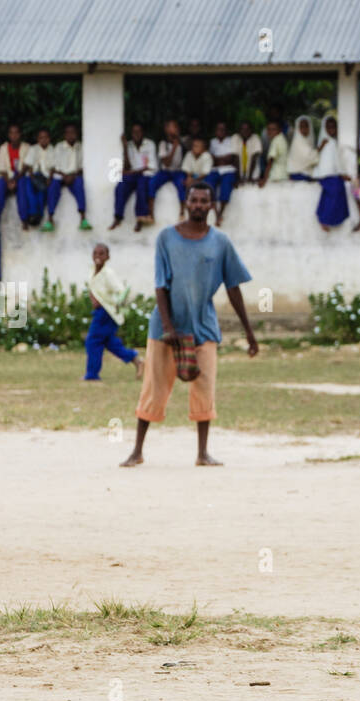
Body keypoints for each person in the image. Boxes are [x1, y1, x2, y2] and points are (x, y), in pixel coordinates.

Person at [120, 182, 258, 468]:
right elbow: (160, 286)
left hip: (203, 328)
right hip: (164, 327)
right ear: (186, 203)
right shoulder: (166, 238)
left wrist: (249, 332)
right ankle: (137, 451)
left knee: (205, 387)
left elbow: (233, 287)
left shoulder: (220, 243)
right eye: (193, 200)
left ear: (211, 205)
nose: (198, 205)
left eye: (203, 201)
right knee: (153, 387)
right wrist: (168, 328)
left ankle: (202, 453)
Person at [85, 243, 143, 382]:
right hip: (99, 312)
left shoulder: (108, 274)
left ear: (108, 257)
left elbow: (121, 291)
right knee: (109, 343)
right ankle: (136, 359)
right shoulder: (92, 270)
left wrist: (114, 303)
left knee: (93, 341)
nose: (98, 257)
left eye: (101, 254)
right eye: (95, 253)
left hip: (107, 313)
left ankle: (92, 374)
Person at [111, 122, 157, 231]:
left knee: (141, 187)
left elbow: (150, 166)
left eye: (138, 131)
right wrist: (125, 147)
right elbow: (128, 166)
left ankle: (140, 218)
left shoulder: (150, 144)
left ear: (143, 133)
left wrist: (130, 172)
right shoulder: (130, 145)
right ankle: (118, 217)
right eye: (134, 132)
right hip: (134, 174)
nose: (136, 134)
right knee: (120, 186)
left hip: (146, 174)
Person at [46, 122, 90, 230]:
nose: (71, 135)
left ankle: (83, 218)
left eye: (73, 132)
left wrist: (73, 175)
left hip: (75, 176)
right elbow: (53, 166)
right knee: (53, 188)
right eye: (68, 133)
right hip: (60, 175)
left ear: (77, 134)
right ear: (64, 135)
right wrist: (64, 176)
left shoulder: (81, 147)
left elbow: (84, 166)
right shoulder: (59, 147)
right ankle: (50, 219)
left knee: (80, 186)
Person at [312, 115, 350, 231]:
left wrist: (341, 173)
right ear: (324, 128)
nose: (331, 130)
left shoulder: (333, 142)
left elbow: (336, 162)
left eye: (334, 127)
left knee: (330, 192)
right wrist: (342, 173)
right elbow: (330, 162)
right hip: (325, 175)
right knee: (335, 190)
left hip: (331, 175)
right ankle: (325, 219)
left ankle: (323, 215)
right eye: (328, 127)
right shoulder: (327, 142)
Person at [0, 123, 30, 229]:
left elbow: (27, 166)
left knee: (22, 189)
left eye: (16, 133)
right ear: (8, 135)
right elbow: (1, 168)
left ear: (20, 134)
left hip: (21, 175)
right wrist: (9, 181)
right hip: (7, 176)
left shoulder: (27, 147)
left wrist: (15, 180)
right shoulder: (3, 148)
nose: (14, 136)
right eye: (12, 133)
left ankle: (24, 219)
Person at [203, 121, 241, 226]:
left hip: (229, 170)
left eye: (223, 129)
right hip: (215, 170)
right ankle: (217, 214)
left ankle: (221, 213)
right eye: (218, 129)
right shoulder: (212, 142)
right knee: (209, 186)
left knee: (226, 187)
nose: (220, 131)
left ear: (226, 131)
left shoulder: (231, 141)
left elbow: (232, 158)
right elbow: (212, 158)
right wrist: (223, 159)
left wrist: (220, 159)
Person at [148, 118, 187, 218]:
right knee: (152, 183)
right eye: (171, 127)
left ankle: (182, 212)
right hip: (165, 172)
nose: (173, 129)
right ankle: (151, 213)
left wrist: (178, 142)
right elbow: (167, 163)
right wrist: (174, 148)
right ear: (166, 129)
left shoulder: (183, 143)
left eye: (175, 127)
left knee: (181, 184)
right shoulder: (163, 144)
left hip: (178, 172)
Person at [21, 127, 55, 227]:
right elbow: (28, 164)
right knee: (29, 191)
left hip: (45, 176)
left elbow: (54, 167)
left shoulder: (52, 150)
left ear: (49, 139)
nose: (43, 140)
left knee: (41, 193)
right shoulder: (33, 148)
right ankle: (33, 213)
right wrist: (31, 176)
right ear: (38, 139)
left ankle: (38, 215)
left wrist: (49, 178)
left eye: (45, 137)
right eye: (41, 138)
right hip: (33, 175)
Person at [181, 137, 213, 205]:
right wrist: (189, 177)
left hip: (203, 178)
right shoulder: (189, 154)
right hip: (192, 176)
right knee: (182, 181)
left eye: (197, 146)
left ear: (203, 149)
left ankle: (208, 204)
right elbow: (186, 169)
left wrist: (193, 180)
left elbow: (205, 173)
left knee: (209, 183)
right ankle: (184, 206)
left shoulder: (207, 156)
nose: (194, 148)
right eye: (193, 145)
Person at [286, 115, 318, 180]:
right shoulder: (297, 142)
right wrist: (321, 147)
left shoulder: (309, 139)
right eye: (301, 127)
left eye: (306, 126)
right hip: (297, 173)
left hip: (306, 173)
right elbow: (310, 158)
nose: (304, 129)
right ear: (298, 128)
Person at [257, 119, 288, 187]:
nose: (270, 132)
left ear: (279, 130)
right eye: (269, 129)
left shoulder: (276, 141)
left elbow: (270, 161)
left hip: (277, 177)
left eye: (274, 129)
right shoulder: (282, 139)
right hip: (284, 175)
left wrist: (264, 180)